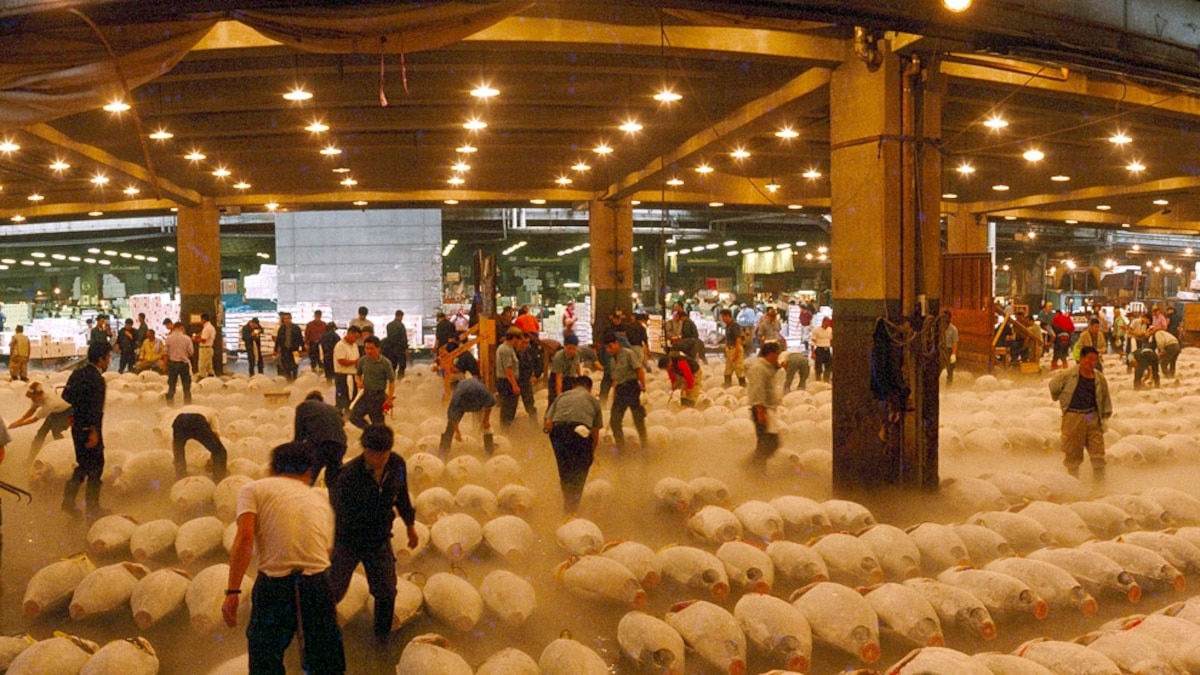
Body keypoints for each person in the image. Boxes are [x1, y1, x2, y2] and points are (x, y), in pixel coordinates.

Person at [222, 442, 344, 675]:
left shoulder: (253, 489)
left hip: (275, 586)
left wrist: (233, 592)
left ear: (271, 468)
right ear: (308, 472)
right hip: (318, 585)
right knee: (326, 661)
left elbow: (245, 538)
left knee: (265, 659)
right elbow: (326, 551)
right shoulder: (320, 500)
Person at [329, 424, 418, 643]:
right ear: (365, 450)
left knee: (386, 591)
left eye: (382, 455)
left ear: (389, 451)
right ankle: (319, 629)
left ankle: (382, 636)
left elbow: (402, 495)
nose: (377, 459)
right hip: (349, 540)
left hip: (379, 540)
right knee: (333, 590)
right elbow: (339, 513)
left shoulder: (397, 464)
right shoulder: (348, 475)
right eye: (372, 454)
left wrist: (410, 526)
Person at [61, 342, 111, 518]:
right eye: (108, 357)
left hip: (76, 427)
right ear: (100, 359)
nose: (109, 360)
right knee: (96, 466)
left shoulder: (76, 373)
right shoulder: (98, 380)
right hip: (90, 429)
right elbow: (96, 409)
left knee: (83, 464)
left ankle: (68, 501)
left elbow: (65, 397)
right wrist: (94, 431)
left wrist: (72, 414)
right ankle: (92, 508)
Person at [1049, 345, 1111, 481]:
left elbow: (1105, 397)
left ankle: (1099, 485)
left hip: (1090, 416)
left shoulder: (1099, 377)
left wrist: (1105, 417)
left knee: (1098, 451)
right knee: (1073, 452)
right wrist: (1061, 400)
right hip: (1073, 417)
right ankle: (1073, 484)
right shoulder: (1068, 375)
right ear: (1081, 359)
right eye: (1089, 359)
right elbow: (1053, 386)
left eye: (1095, 360)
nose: (1092, 363)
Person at [543, 375, 603, 514]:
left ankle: (567, 504)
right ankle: (572, 510)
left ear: (573, 386)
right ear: (589, 388)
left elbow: (548, 423)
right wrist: (590, 454)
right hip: (581, 433)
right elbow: (595, 433)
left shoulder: (561, 397)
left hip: (558, 432)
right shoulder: (593, 400)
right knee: (579, 473)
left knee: (565, 471)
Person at [294, 391, 349, 499]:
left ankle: (300, 500)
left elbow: (299, 436)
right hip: (340, 445)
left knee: (309, 475)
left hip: (320, 444)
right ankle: (335, 503)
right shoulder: (333, 409)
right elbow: (341, 424)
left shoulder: (303, 406)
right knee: (333, 479)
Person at [604, 334, 647, 452]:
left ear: (617, 343)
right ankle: (621, 447)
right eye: (606, 348)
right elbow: (615, 379)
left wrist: (643, 389)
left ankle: (645, 446)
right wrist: (613, 394)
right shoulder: (612, 361)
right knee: (614, 420)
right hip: (621, 391)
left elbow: (639, 371)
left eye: (610, 346)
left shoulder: (629, 354)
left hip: (632, 388)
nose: (609, 350)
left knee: (638, 420)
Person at [746, 342, 784, 470]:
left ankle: (756, 469)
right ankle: (749, 467)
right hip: (762, 409)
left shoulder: (767, 367)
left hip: (768, 409)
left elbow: (771, 373)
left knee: (768, 442)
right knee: (769, 442)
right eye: (777, 354)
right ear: (771, 354)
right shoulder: (758, 368)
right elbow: (757, 389)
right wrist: (760, 410)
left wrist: (779, 366)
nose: (778, 357)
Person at [8, 381, 72, 454]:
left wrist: (18, 425)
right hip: (55, 411)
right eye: (31, 398)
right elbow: (32, 410)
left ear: (40, 395)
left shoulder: (49, 402)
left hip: (66, 411)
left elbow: (34, 419)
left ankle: (64, 452)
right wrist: (19, 421)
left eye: (34, 398)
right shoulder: (36, 398)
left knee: (56, 430)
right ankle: (33, 455)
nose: (33, 400)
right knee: (41, 433)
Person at [438, 376, 495, 456]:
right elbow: (452, 418)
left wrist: (486, 419)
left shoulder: (483, 393)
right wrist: (457, 432)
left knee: (486, 426)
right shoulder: (457, 398)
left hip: (478, 399)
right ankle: (443, 452)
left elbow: (489, 405)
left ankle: (489, 452)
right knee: (450, 427)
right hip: (464, 401)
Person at [168, 406, 227, 482]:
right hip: (197, 420)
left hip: (180, 420)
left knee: (179, 452)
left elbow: (175, 443)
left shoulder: (188, 408)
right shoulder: (213, 413)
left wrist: (176, 456)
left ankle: (180, 478)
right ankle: (219, 480)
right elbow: (216, 435)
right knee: (221, 452)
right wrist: (213, 459)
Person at [349, 336, 394, 429]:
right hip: (365, 394)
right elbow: (357, 374)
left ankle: (378, 434)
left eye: (371, 348)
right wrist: (358, 382)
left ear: (378, 348)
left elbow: (392, 382)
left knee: (378, 423)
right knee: (354, 417)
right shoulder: (363, 360)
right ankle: (369, 430)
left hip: (378, 396)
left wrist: (389, 399)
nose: (369, 351)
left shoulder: (385, 363)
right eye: (366, 348)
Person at [495, 328, 524, 429]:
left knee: (509, 407)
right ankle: (506, 428)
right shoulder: (506, 350)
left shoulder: (506, 348)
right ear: (514, 338)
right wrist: (514, 385)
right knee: (508, 407)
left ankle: (507, 427)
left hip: (506, 381)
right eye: (519, 339)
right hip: (507, 382)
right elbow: (508, 369)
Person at [547, 334, 582, 408]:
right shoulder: (558, 357)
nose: (571, 351)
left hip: (570, 378)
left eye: (574, 348)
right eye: (569, 348)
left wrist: (580, 378)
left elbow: (577, 364)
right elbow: (558, 377)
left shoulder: (578, 353)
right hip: (556, 379)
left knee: (570, 400)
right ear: (565, 346)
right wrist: (559, 393)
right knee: (554, 402)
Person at [332, 326, 361, 414]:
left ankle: (349, 415)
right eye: (354, 337)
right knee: (342, 398)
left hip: (353, 375)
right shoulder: (340, 345)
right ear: (349, 333)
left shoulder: (355, 345)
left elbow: (357, 359)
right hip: (342, 376)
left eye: (357, 338)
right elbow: (341, 361)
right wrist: (355, 362)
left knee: (352, 398)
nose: (355, 340)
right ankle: (339, 416)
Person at [164, 321, 194, 405]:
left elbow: (165, 353)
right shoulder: (187, 338)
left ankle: (170, 405)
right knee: (186, 387)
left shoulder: (168, 338)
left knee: (171, 386)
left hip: (172, 364)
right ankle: (187, 404)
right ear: (181, 328)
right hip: (183, 364)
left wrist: (165, 365)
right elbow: (191, 353)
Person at [274, 311, 304, 381]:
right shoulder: (281, 328)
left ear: (291, 319)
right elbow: (278, 340)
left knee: (295, 365)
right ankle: (289, 379)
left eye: (288, 318)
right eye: (285, 319)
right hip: (284, 350)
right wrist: (275, 350)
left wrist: (303, 349)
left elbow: (300, 339)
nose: (286, 320)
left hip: (294, 350)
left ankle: (294, 379)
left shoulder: (296, 328)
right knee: (285, 366)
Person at [720, 309, 745, 387]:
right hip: (729, 349)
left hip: (735, 349)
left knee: (739, 369)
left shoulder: (734, 325)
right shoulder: (728, 326)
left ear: (727, 316)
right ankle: (727, 385)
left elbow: (738, 339)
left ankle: (743, 386)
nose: (722, 319)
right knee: (728, 369)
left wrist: (737, 353)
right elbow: (727, 339)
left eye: (723, 317)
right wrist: (726, 349)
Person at [381, 310, 409, 379]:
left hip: (390, 348)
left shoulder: (389, 325)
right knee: (402, 365)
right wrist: (406, 348)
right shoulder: (401, 325)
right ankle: (400, 379)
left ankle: (391, 379)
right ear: (401, 316)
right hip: (400, 348)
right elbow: (404, 338)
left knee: (392, 365)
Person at [195, 313, 217, 379]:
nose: (200, 321)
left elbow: (203, 340)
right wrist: (198, 335)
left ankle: (201, 380)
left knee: (202, 365)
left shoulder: (207, 328)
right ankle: (212, 378)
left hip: (205, 349)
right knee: (209, 366)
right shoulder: (211, 327)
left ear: (204, 319)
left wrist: (194, 339)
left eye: (201, 320)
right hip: (209, 349)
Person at [811, 316, 833, 382]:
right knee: (818, 367)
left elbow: (831, 340)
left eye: (828, 323)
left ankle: (826, 379)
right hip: (819, 349)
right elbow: (813, 341)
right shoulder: (816, 330)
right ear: (823, 322)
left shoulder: (830, 330)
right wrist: (813, 352)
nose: (827, 324)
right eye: (826, 323)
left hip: (827, 349)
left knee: (828, 366)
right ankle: (818, 380)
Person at [305, 310, 326, 374]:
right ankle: (313, 372)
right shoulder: (310, 325)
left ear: (321, 316)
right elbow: (306, 335)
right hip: (312, 344)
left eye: (319, 316)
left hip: (321, 344)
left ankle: (321, 372)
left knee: (321, 359)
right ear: (314, 316)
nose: (317, 317)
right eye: (316, 316)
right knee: (313, 359)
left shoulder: (324, 325)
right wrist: (306, 344)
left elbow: (326, 335)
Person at [941, 310, 959, 386]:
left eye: (947, 318)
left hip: (949, 349)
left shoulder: (953, 329)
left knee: (950, 370)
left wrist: (953, 354)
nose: (945, 319)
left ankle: (948, 385)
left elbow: (955, 342)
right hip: (941, 348)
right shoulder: (939, 328)